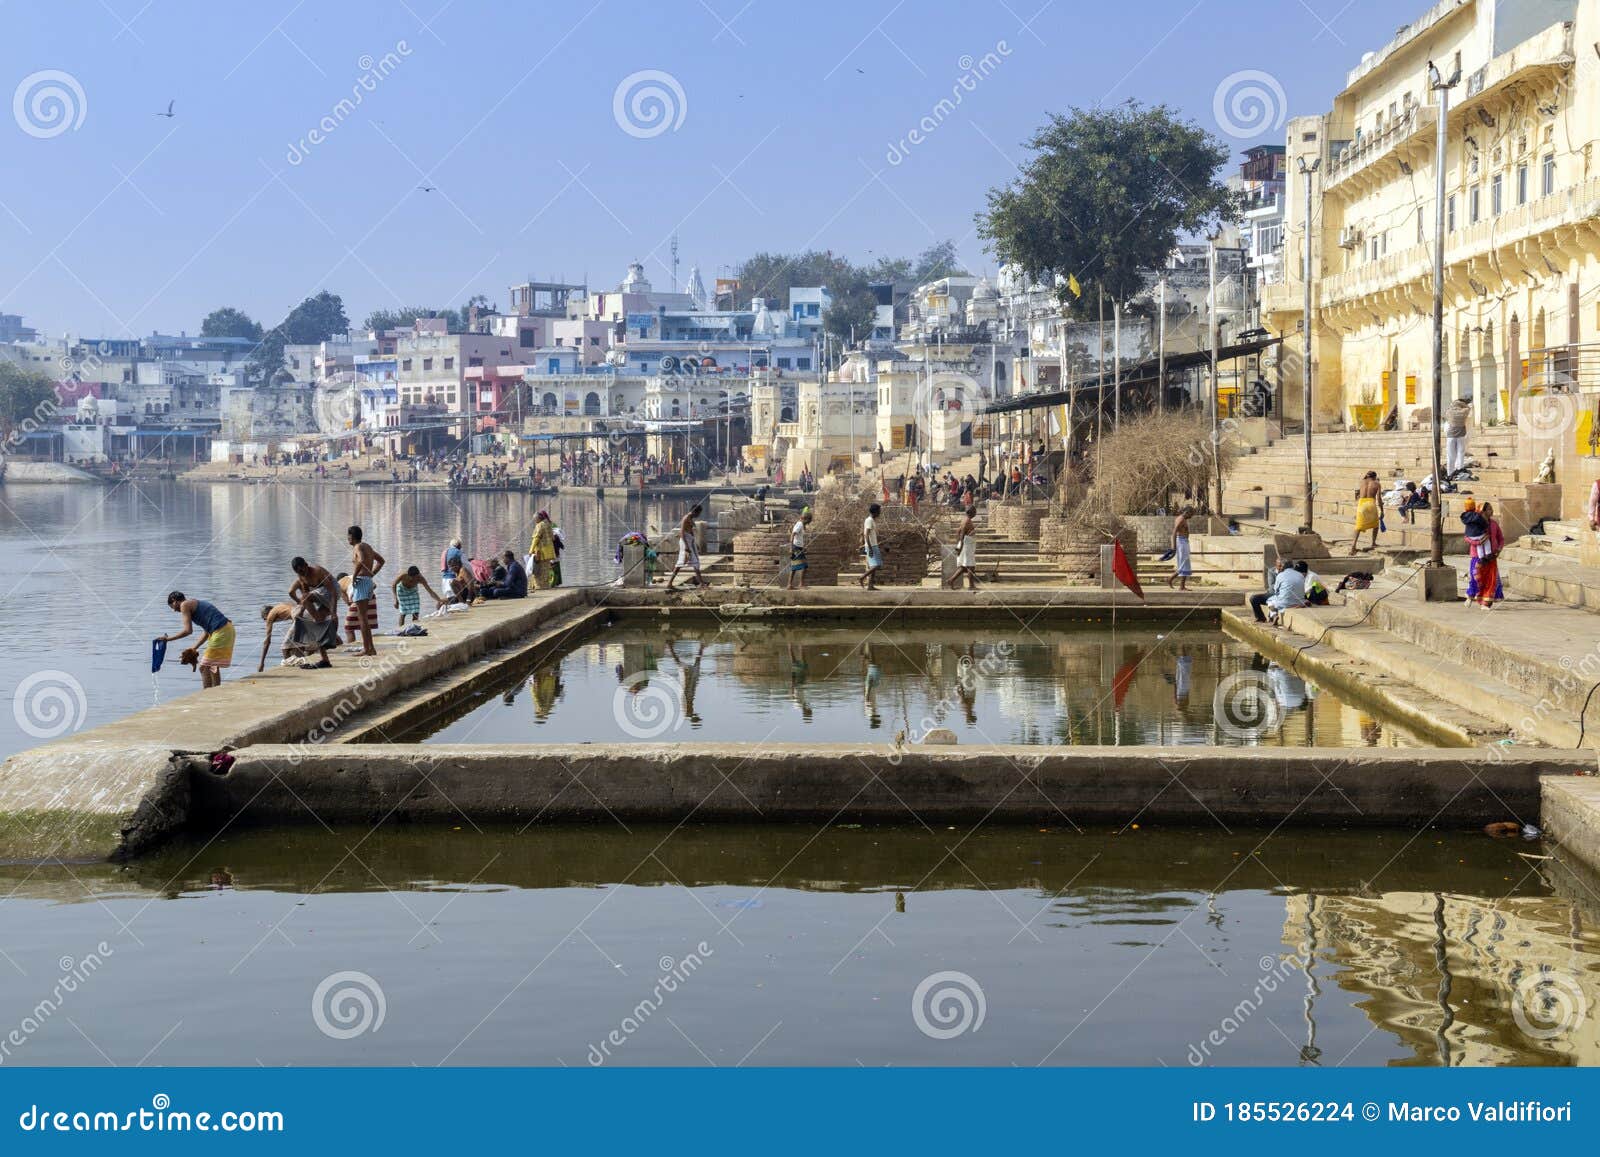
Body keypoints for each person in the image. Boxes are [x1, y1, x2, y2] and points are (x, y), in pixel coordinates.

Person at [161, 592, 233, 689]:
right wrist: (194, 648)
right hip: (227, 629)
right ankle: (216, 691)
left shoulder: (184, 605)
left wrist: (168, 639)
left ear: (174, 601)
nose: (174, 610)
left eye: (172, 607)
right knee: (212, 666)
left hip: (221, 631)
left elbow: (188, 631)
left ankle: (207, 694)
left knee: (204, 666)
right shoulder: (194, 603)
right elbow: (207, 632)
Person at [289, 557, 342, 667]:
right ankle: (325, 660)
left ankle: (322, 623)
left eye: (302, 570)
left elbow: (332, 592)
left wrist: (334, 612)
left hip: (333, 592)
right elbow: (306, 595)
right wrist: (301, 611)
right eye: (298, 572)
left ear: (306, 565)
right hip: (320, 595)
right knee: (318, 625)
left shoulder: (318, 571)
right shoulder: (301, 577)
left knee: (318, 617)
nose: (302, 573)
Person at [346, 525, 385, 657]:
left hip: (362, 582)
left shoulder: (358, 547)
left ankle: (366, 648)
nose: (347, 539)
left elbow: (361, 560)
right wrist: (371, 574)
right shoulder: (367, 546)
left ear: (352, 537)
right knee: (364, 618)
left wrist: (355, 576)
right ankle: (371, 648)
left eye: (348, 536)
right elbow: (381, 561)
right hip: (367, 581)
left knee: (362, 618)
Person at [1462, 499, 1503, 608]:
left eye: (1492, 509)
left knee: (1491, 580)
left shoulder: (1494, 524)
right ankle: (1470, 596)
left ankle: (1486, 603)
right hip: (1477, 556)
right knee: (1476, 578)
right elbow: (1467, 538)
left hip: (1491, 557)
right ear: (1483, 511)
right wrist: (1478, 542)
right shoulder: (1473, 523)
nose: (1492, 511)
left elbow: (1501, 538)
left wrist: (1498, 550)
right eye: (1489, 509)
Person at [1249, 558, 1307, 625]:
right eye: (1278, 566)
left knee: (1270, 601)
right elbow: (1271, 586)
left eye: (1281, 566)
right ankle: (1262, 617)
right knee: (1256, 598)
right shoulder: (1300, 575)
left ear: (1283, 567)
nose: (1279, 568)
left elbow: (1276, 591)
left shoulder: (1281, 575)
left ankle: (1273, 616)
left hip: (1282, 598)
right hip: (1299, 602)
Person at [667, 505, 704, 589]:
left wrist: (695, 544)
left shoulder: (690, 518)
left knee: (694, 562)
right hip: (685, 543)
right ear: (695, 512)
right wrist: (687, 546)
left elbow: (690, 531)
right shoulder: (686, 518)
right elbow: (682, 533)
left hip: (690, 542)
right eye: (698, 513)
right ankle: (702, 584)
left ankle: (701, 583)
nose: (698, 515)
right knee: (682, 562)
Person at [946, 504, 980, 590]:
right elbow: (961, 534)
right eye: (975, 511)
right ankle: (971, 586)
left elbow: (958, 532)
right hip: (966, 545)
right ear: (971, 512)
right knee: (971, 566)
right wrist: (960, 546)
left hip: (967, 544)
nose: (975, 513)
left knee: (964, 567)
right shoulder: (966, 521)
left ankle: (951, 580)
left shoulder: (965, 520)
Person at [258, 601, 298, 671]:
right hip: (305, 613)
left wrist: (262, 663)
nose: (265, 621)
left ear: (266, 614)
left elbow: (267, 642)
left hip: (298, 618)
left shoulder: (270, 615)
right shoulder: (281, 606)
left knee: (285, 647)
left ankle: (291, 670)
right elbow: (294, 609)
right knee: (295, 646)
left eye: (264, 619)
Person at [1351, 470, 1382, 554]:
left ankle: (1353, 546)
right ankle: (1373, 543)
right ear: (1374, 477)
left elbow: (1357, 494)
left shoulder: (1362, 482)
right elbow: (1379, 498)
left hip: (1362, 504)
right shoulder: (1377, 484)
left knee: (1358, 526)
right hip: (1371, 503)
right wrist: (1382, 510)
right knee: (1376, 525)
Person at [1167, 506, 1193, 591]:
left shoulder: (1183, 519)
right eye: (1191, 513)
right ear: (1186, 512)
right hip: (1181, 542)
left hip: (1184, 541)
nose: (1192, 516)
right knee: (1183, 563)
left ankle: (1182, 586)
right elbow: (1174, 532)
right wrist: (1173, 547)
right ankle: (1171, 578)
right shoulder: (1180, 519)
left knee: (1185, 563)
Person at [528, 511, 557, 589]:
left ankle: (539, 586)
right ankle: (546, 585)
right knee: (546, 569)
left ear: (539, 518)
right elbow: (553, 538)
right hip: (549, 551)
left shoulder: (540, 525)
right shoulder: (548, 524)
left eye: (535, 519)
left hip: (541, 551)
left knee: (539, 569)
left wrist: (531, 550)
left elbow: (536, 538)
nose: (535, 521)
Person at [859, 502, 884, 591]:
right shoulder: (869, 520)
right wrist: (869, 547)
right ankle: (862, 577)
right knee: (876, 565)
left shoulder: (871, 520)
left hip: (874, 545)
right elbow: (866, 534)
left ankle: (870, 585)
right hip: (871, 546)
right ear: (875, 511)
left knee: (875, 565)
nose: (879, 513)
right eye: (879, 511)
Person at [1444, 398, 1471, 478]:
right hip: (1461, 435)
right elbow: (1468, 407)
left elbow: (1449, 408)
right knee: (1460, 453)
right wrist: (1463, 404)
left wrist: (1454, 403)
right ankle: (1459, 470)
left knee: (1450, 455)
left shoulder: (1449, 412)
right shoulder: (1464, 412)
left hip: (1450, 436)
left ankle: (1450, 473)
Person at [787, 507, 812, 590]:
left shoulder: (800, 524)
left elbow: (798, 537)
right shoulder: (800, 524)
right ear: (805, 519)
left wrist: (802, 547)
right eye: (808, 521)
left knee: (794, 567)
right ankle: (800, 584)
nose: (807, 523)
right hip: (796, 547)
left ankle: (789, 585)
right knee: (804, 566)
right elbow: (793, 534)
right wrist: (791, 548)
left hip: (798, 547)